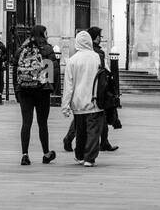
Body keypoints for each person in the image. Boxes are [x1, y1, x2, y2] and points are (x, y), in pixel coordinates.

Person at [14, 25, 57, 166]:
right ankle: (46, 154)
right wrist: (52, 89)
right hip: (41, 90)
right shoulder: (47, 49)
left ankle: (25, 155)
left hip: (24, 90)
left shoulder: (22, 48)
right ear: (42, 34)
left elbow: (15, 69)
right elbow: (52, 71)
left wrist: (17, 91)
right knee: (42, 123)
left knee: (26, 123)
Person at [60, 30, 104, 167]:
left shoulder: (72, 60)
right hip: (94, 100)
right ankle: (89, 157)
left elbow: (68, 85)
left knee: (80, 131)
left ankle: (79, 155)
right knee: (93, 130)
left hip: (77, 102)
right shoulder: (97, 57)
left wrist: (65, 105)